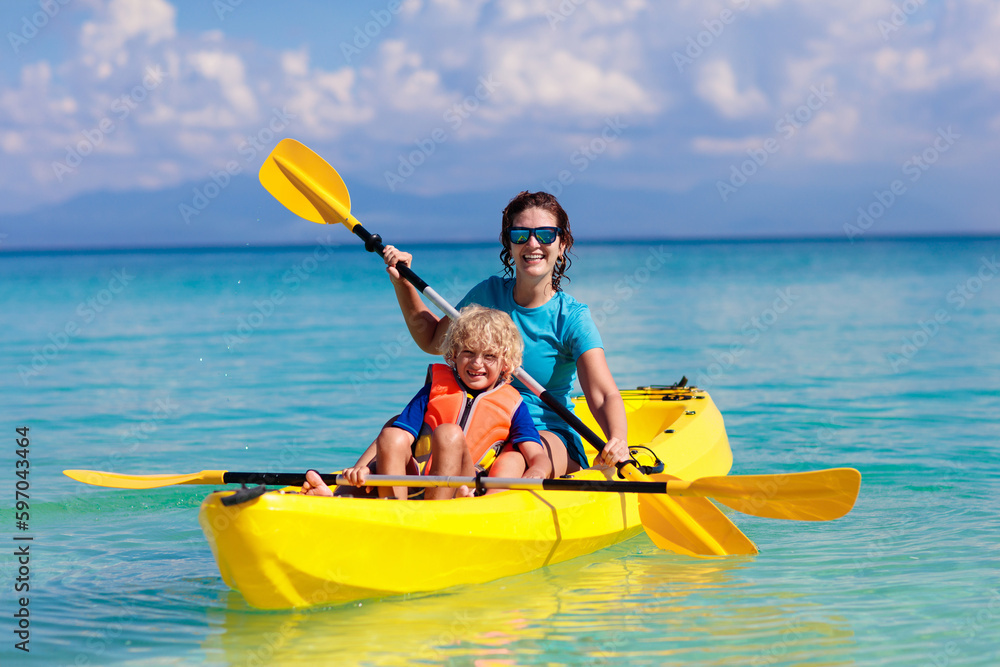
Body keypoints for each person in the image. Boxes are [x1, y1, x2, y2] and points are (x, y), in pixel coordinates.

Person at [379, 191, 629, 478]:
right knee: (395, 428)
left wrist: (618, 441)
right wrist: (404, 283)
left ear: (562, 245)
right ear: (509, 244)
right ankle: (354, 487)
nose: (533, 243)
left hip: (543, 432)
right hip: (479, 421)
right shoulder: (487, 294)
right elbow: (433, 340)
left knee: (514, 458)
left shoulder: (572, 318)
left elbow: (602, 393)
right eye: (521, 234)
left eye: (546, 235)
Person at [302, 305, 549, 499]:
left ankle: (436, 510)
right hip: (415, 479)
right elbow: (398, 439)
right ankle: (371, 503)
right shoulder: (435, 390)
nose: (476, 363)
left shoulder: (514, 405)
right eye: (468, 353)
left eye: (489, 356)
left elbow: (535, 454)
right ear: (454, 353)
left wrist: (538, 471)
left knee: (449, 433)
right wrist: (363, 468)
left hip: (466, 484)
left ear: (506, 364)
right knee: (390, 435)